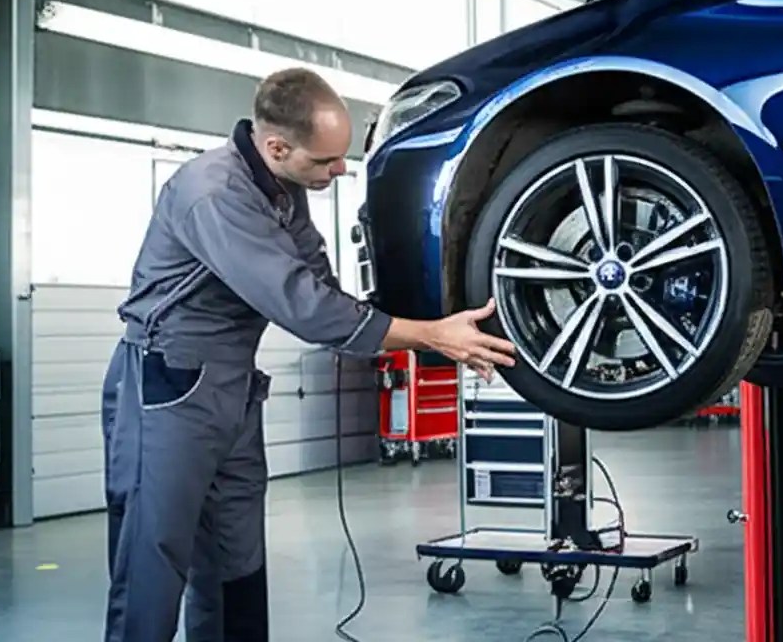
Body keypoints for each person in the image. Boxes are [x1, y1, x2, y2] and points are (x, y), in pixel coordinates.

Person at [99, 67, 515, 642]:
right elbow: (302, 306)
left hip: (233, 386)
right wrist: (429, 335)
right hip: (171, 385)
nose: (338, 170)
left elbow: (319, 281)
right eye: (325, 161)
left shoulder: (284, 188)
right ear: (276, 145)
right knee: (155, 556)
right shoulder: (213, 193)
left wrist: (416, 305)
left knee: (236, 557)